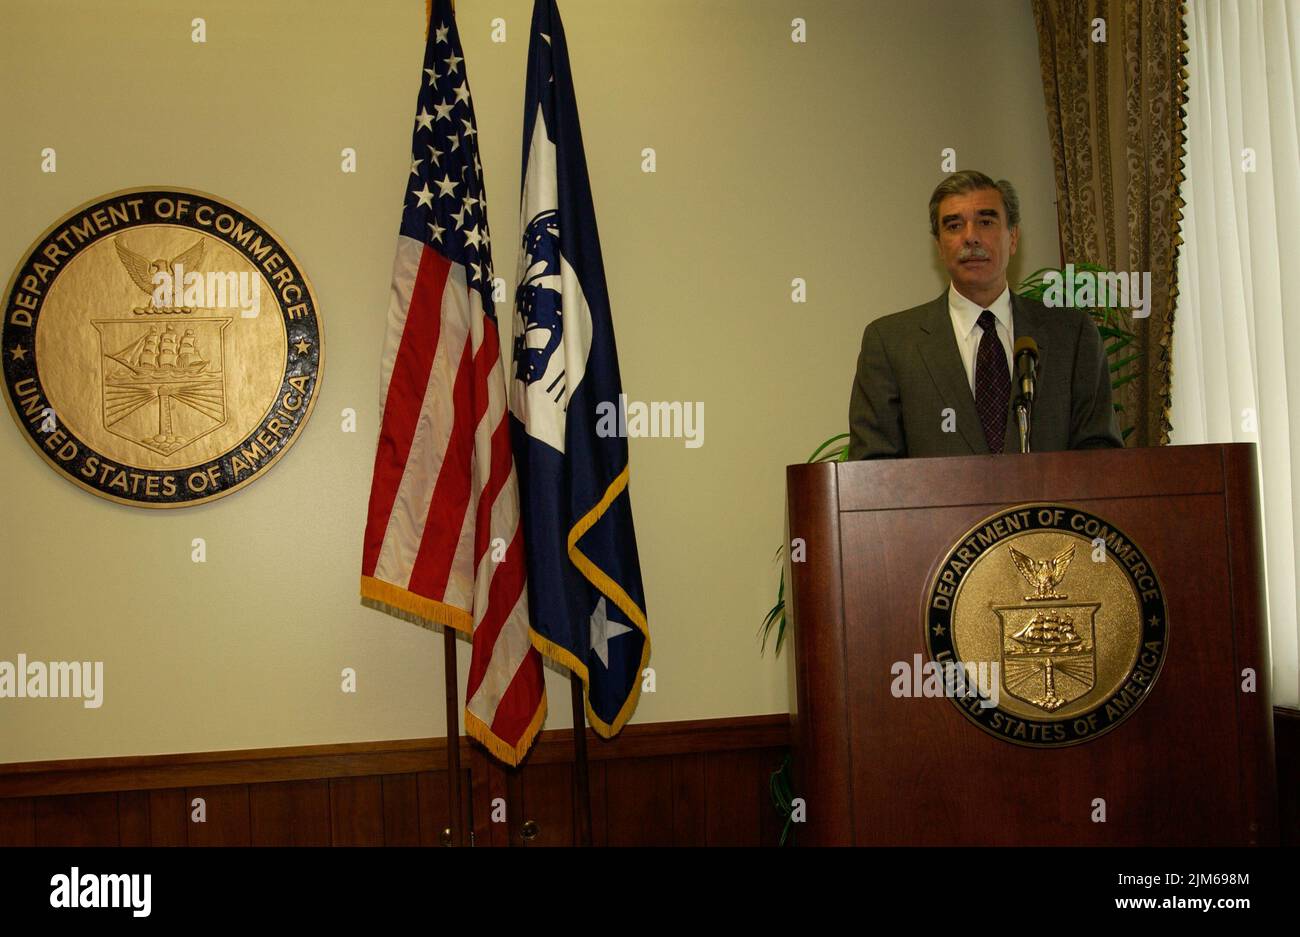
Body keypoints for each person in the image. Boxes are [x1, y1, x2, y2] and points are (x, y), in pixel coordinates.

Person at [847, 170, 1123, 459]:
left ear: (1013, 237)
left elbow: (1100, 458)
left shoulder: (1071, 334)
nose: (971, 237)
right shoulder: (891, 343)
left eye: (986, 222)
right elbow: (872, 470)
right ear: (939, 246)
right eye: (954, 226)